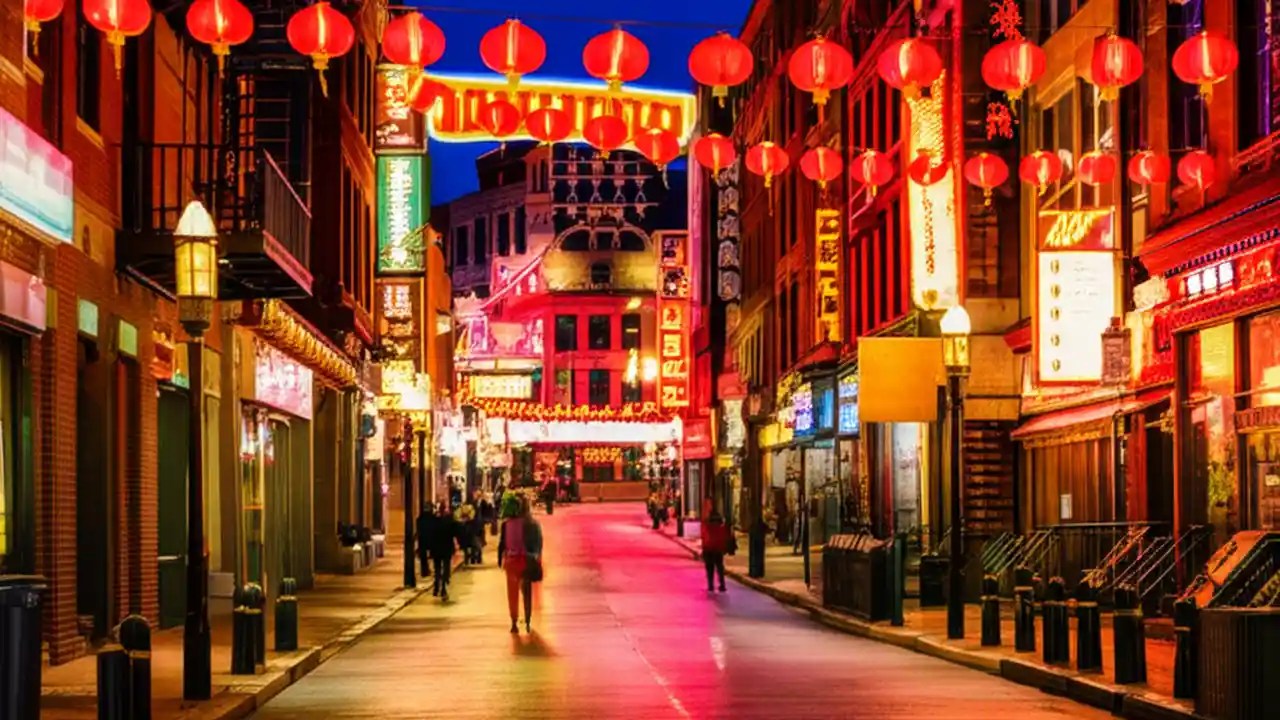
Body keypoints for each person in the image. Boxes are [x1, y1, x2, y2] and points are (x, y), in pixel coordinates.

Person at [497, 494, 544, 633]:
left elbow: (502, 544)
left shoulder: (506, 524)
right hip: (526, 560)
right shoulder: (532, 523)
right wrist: (537, 557)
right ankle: (528, 619)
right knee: (527, 590)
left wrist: (500, 559)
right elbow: (538, 544)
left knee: (512, 592)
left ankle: (514, 621)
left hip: (511, 561)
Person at [426, 503, 459, 600]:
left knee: (437, 568)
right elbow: (455, 532)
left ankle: (437, 586)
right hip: (446, 548)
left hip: (436, 548)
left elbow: (431, 534)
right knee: (445, 568)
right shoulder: (449, 521)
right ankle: (443, 587)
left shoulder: (434, 521)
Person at [700, 511, 732, 593]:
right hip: (718, 550)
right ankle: (722, 584)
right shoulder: (721, 528)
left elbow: (704, 538)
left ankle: (711, 585)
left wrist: (703, 549)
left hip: (709, 550)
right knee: (719, 568)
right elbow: (724, 538)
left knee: (710, 569)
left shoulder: (707, 527)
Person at [414, 506, 433, 579]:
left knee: (423, 556)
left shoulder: (419, 519)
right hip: (429, 539)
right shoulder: (432, 519)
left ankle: (424, 570)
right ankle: (426, 570)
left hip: (422, 539)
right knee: (430, 555)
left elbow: (418, 530)